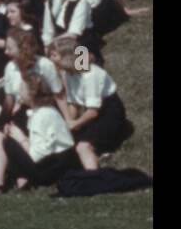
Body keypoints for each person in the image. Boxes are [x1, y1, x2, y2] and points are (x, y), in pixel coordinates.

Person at [0, 73, 81, 193]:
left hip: (55, 168)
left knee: (8, 142)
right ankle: (15, 182)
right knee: (6, 138)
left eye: (22, 88)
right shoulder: (42, 111)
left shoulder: (43, 115)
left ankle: (0, 182)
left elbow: (37, 155)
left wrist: (20, 138)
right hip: (57, 163)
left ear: (31, 93)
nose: (18, 91)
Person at [48, 36, 132, 170]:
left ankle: (94, 178)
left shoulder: (91, 75)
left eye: (54, 55)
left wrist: (75, 123)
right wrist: (67, 122)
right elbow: (73, 103)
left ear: (67, 56)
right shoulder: (69, 74)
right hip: (92, 112)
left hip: (109, 113)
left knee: (83, 146)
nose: (51, 59)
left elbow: (93, 111)